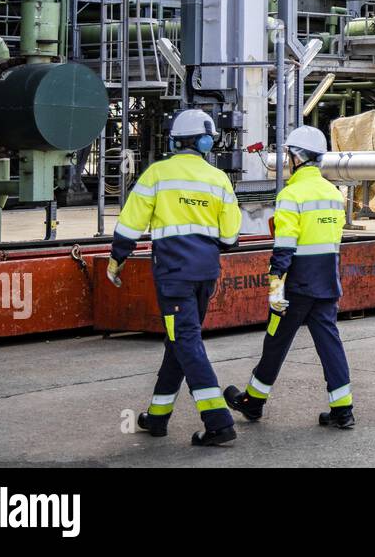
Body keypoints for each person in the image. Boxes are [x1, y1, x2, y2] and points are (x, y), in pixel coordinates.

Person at [107, 109, 242, 447]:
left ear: (175, 140)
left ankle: (218, 421)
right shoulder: (219, 178)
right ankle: (157, 417)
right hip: (206, 275)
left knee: (185, 342)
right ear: (206, 141)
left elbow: (130, 224)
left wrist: (116, 259)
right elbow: (230, 238)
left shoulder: (157, 175)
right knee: (178, 342)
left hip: (174, 276)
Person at [225, 125, 354, 429]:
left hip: (296, 287)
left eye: (287, 153)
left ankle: (253, 402)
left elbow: (285, 247)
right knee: (329, 344)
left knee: (276, 341)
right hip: (326, 284)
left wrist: (274, 284)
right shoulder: (333, 194)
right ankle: (343, 409)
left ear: (297, 156)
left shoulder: (291, 194)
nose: (285, 158)